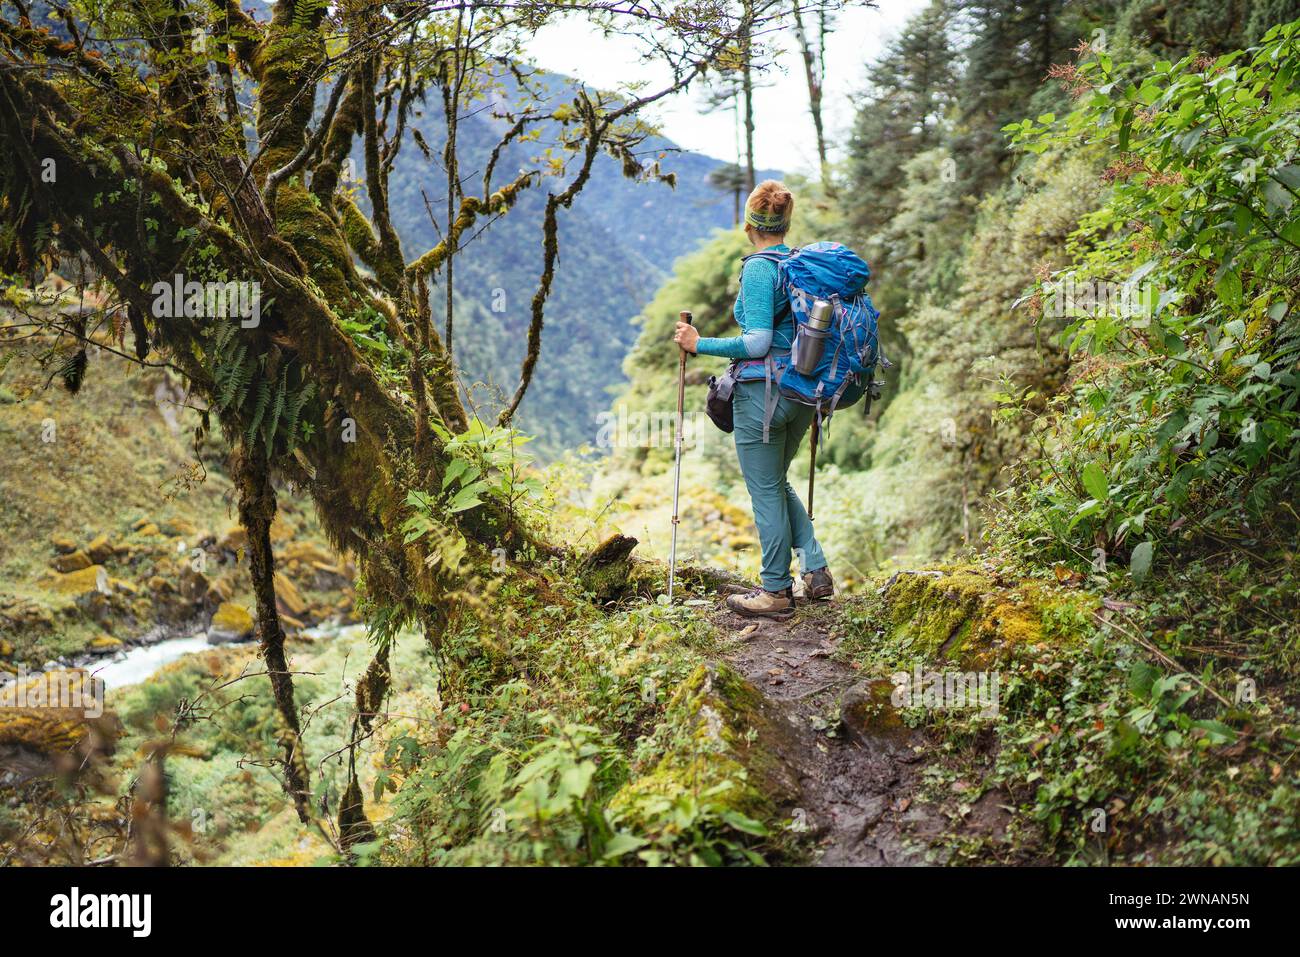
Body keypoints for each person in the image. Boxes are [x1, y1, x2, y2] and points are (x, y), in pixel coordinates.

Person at [672, 180, 833, 620]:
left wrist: (699, 344)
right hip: (802, 392)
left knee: (765, 490)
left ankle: (776, 591)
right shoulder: (801, 264)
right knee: (776, 482)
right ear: (786, 222)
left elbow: (758, 341)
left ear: (749, 226)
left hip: (762, 394)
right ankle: (815, 570)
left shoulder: (761, 268)